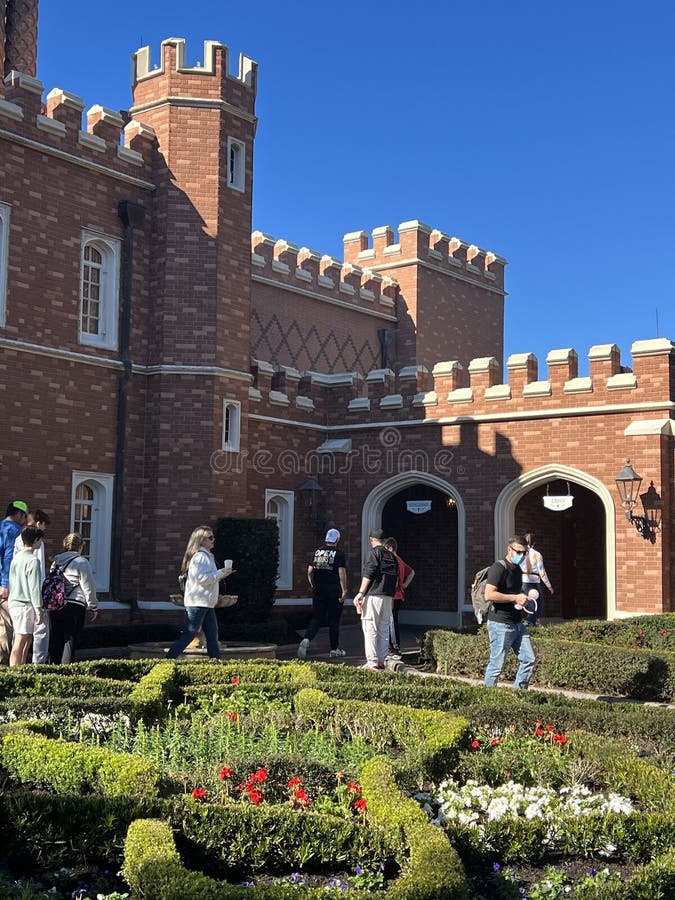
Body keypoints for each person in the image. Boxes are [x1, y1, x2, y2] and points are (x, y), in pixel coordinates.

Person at [167, 526, 233, 660]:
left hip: (206, 603)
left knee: (212, 636)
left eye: (212, 537)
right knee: (189, 634)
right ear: (201, 540)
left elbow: (207, 577)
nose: (213, 540)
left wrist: (221, 574)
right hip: (199, 603)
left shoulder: (206, 556)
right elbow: (203, 579)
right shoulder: (200, 557)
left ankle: (216, 664)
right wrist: (222, 573)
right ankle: (167, 660)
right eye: (210, 537)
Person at [483, 535, 536, 690]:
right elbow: (489, 595)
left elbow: (515, 595)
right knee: (496, 665)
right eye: (518, 552)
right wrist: (515, 597)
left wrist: (522, 600)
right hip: (500, 624)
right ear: (509, 549)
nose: (521, 555)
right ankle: (487, 697)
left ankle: (519, 693)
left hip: (517, 622)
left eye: (524, 553)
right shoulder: (498, 568)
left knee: (529, 659)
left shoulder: (518, 569)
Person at [297, 528, 348, 659]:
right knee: (334, 620)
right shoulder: (339, 554)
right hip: (334, 591)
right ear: (337, 540)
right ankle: (334, 649)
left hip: (319, 590)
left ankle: (306, 639)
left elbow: (309, 571)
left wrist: (312, 584)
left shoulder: (317, 552)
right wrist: (344, 590)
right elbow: (341, 573)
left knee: (317, 618)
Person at [48, 533, 98, 664]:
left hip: (56, 604)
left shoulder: (55, 562)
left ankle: (51, 670)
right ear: (80, 546)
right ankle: (66, 673)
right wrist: (93, 606)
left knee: (56, 639)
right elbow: (88, 586)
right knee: (69, 641)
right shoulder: (82, 562)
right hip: (74, 604)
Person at [353, 528, 398, 671]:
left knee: (370, 627)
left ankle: (372, 663)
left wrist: (360, 592)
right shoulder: (391, 556)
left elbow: (369, 573)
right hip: (388, 596)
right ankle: (381, 661)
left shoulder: (373, 553)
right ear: (384, 541)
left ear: (371, 540)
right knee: (384, 628)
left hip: (373, 595)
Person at [14, 510, 51, 663]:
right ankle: (36, 666)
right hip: (30, 596)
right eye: (44, 525)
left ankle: (19, 668)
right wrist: (39, 605)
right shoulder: (36, 545)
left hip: (18, 596)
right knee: (36, 632)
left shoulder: (19, 541)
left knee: (22, 636)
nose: (44, 529)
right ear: (38, 523)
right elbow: (38, 574)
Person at [8, 525, 43, 666]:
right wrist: (39, 610)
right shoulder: (33, 561)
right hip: (25, 605)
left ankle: (21, 669)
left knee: (26, 638)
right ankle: (14, 673)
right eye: (39, 539)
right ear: (35, 540)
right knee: (21, 640)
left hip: (14, 603)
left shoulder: (16, 558)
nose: (40, 542)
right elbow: (34, 588)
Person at [0, 500, 29, 664]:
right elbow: (8, 558)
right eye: (24, 516)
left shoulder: (1, 527)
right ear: (19, 514)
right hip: (8, 586)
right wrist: (5, 584)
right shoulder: (16, 532)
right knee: (7, 628)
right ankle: (4, 665)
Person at [383, 537, 415, 659]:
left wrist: (393, 589)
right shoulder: (400, 560)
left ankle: (395, 647)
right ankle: (393, 647)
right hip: (399, 595)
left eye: (385, 549)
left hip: (394, 595)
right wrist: (405, 585)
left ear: (390, 548)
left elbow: (394, 578)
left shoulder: (393, 560)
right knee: (393, 620)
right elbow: (412, 572)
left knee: (391, 621)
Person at [520, 532, 554, 625]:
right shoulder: (537, 554)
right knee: (538, 605)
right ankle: (529, 623)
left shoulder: (520, 554)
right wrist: (549, 586)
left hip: (522, 581)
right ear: (534, 543)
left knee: (525, 603)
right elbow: (542, 572)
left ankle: (527, 623)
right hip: (534, 582)